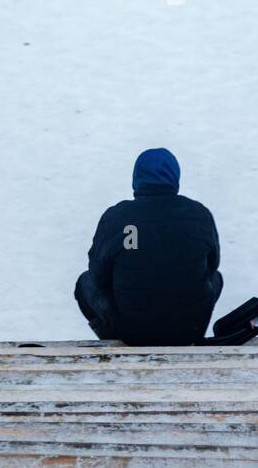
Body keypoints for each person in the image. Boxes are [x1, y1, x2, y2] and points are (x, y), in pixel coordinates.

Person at [74, 147, 223, 345]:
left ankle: (116, 340)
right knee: (216, 279)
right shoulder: (199, 214)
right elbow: (213, 266)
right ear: (175, 177)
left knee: (85, 284)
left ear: (137, 178)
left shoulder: (118, 217)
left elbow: (98, 275)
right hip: (187, 331)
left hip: (132, 333)